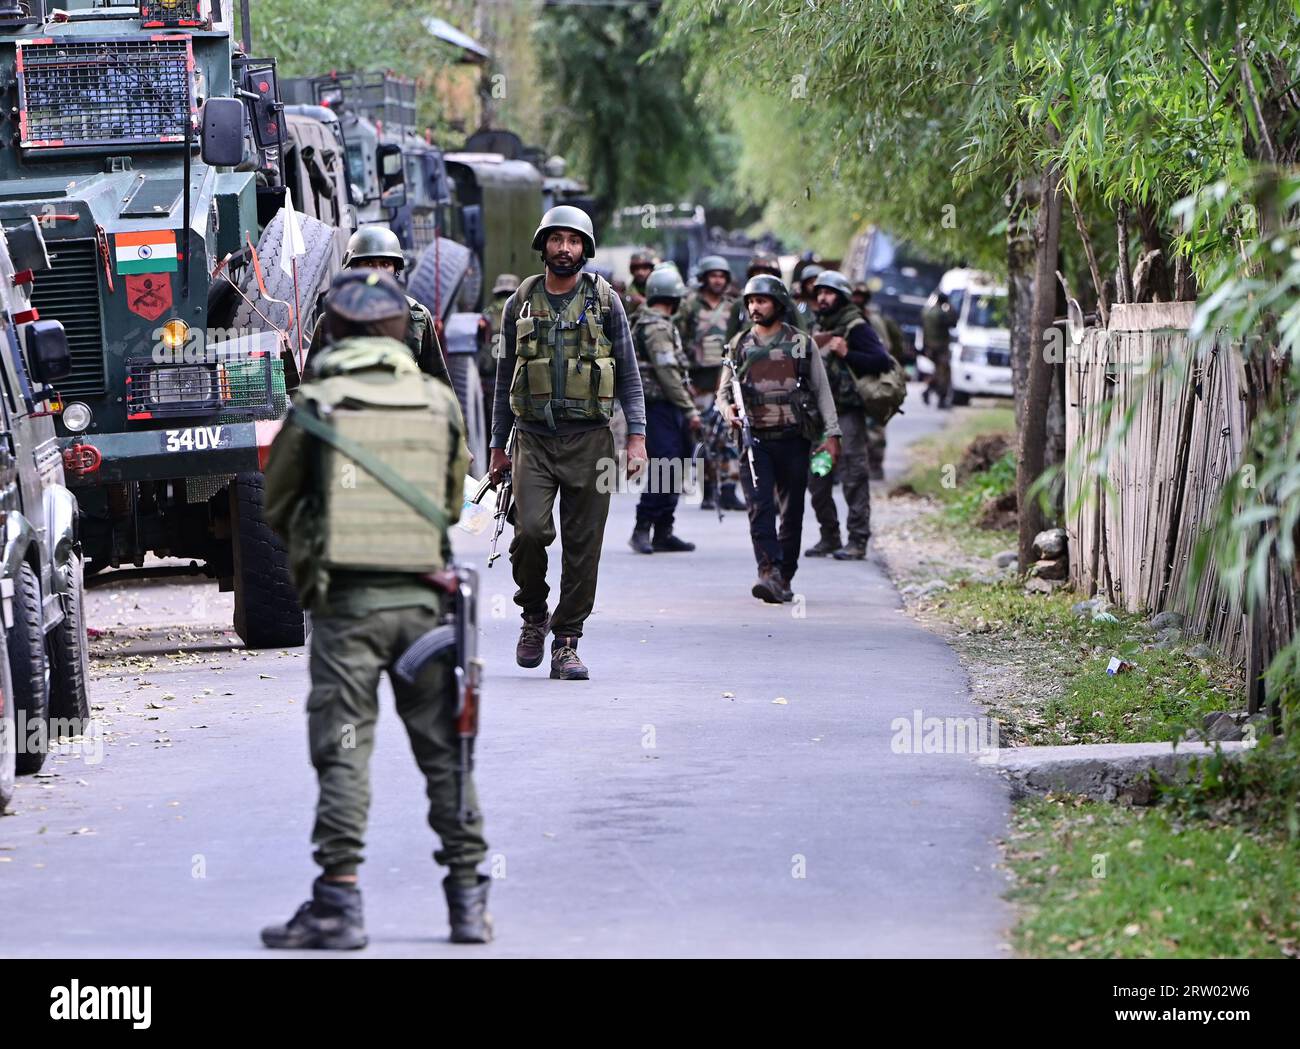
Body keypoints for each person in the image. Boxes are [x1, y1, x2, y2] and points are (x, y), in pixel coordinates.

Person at [260, 269, 490, 949]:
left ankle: (339, 905)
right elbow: (452, 505)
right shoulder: (438, 402)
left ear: (331, 329)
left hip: (347, 609)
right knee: (448, 753)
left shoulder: (315, 403)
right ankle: (469, 904)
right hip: (426, 606)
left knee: (345, 751)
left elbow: (276, 505)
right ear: (399, 330)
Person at [489, 205, 648, 681]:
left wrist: (636, 439)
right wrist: (498, 446)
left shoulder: (606, 301)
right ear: (543, 246)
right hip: (532, 441)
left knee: (584, 546)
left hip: (590, 441)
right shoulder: (519, 301)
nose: (564, 248)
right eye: (556, 239)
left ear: (586, 249)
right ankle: (534, 616)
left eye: (574, 241)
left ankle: (567, 641)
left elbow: (630, 377)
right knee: (531, 533)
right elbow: (503, 380)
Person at [717, 274, 840, 603]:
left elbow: (821, 391)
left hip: (794, 438)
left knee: (792, 509)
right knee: (760, 506)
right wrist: (728, 411)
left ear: (778, 304)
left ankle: (785, 575)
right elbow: (722, 392)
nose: (755, 307)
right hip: (754, 440)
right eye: (751, 302)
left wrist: (832, 434)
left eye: (762, 301)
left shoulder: (801, 342)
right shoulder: (739, 345)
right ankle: (768, 571)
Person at [805, 270, 895, 560]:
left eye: (829, 292)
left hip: (847, 416)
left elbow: (881, 360)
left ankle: (857, 539)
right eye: (819, 293)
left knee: (853, 475)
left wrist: (847, 354)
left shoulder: (856, 327)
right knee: (818, 477)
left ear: (841, 297)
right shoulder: (817, 324)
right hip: (820, 417)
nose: (822, 297)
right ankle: (829, 536)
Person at [307, 225, 451, 386]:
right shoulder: (331, 320)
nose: (377, 272)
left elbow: (438, 380)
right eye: (368, 263)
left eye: (385, 264)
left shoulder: (417, 315)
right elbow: (312, 382)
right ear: (354, 268)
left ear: (395, 269)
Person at [629, 268, 702, 554]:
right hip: (659, 405)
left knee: (677, 465)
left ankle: (663, 530)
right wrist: (690, 408)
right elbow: (668, 372)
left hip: (667, 404)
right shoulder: (657, 327)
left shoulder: (660, 322)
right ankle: (642, 528)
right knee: (666, 466)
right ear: (674, 296)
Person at [678, 255, 743, 511]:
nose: (717, 280)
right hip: (700, 383)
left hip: (727, 381)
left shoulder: (733, 306)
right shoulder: (690, 306)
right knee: (706, 436)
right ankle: (708, 489)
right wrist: (685, 381)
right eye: (713, 275)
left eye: (721, 276)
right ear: (704, 278)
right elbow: (679, 341)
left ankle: (728, 489)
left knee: (730, 435)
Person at [856, 284, 910, 481]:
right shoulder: (842, 319)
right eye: (854, 295)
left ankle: (876, 463)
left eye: (861, 295)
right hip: (852, 379)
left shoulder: (874, 320)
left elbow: (885, 346)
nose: (857, 299)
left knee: (876, 426)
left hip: (873, 377)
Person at [479, 274, 519, 437]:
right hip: (514, 377)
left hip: (490, 378)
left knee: (492, 424)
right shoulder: (520, 312)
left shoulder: (486, 314)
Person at [921, 290, 958, 408]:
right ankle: (940, 398)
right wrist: (950, 306)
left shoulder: (926, 312)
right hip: (940, 347)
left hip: (929, 347)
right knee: (944, 373)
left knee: (939, 372)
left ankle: (929, 392)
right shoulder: (941, 314)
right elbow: (953, 322)